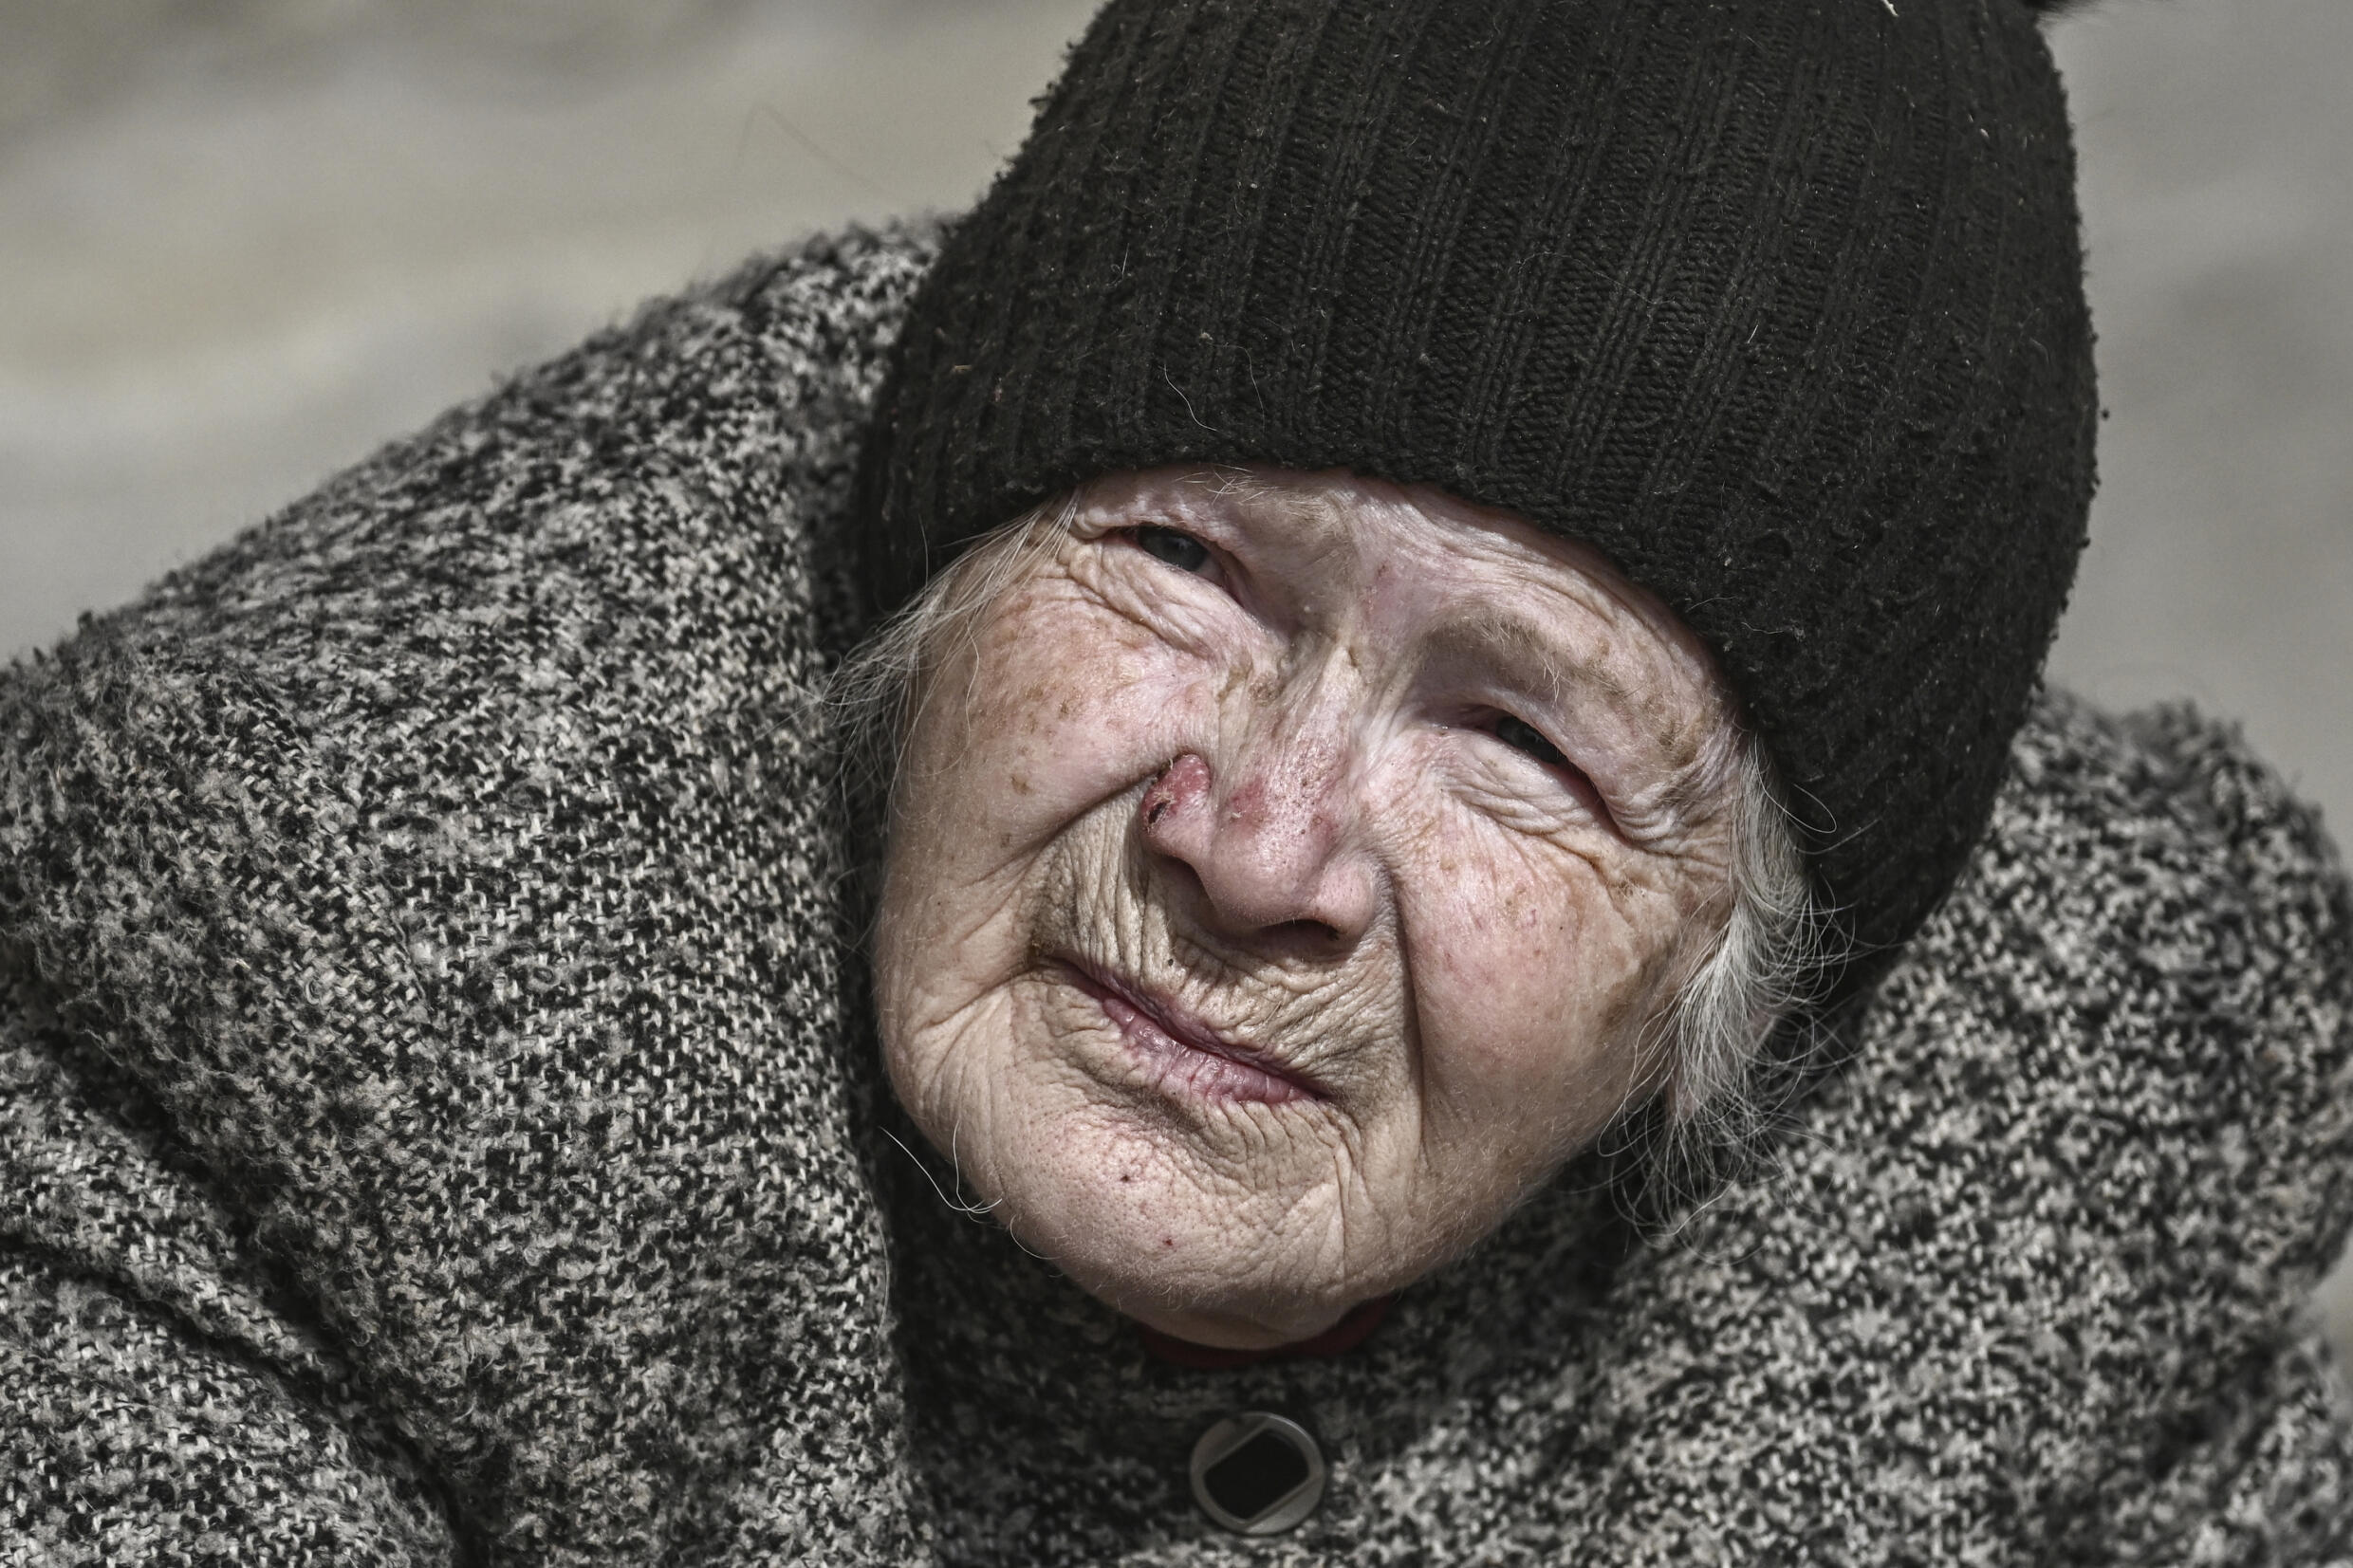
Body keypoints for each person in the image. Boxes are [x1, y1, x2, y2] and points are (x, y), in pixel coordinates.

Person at [3, 0, 2347, 1561]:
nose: (1253, 848)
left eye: (1517, 734)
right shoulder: (262, 1023)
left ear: (1772, 978)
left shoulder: (2082, 1192)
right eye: (1181, 573)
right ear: (920, 589)